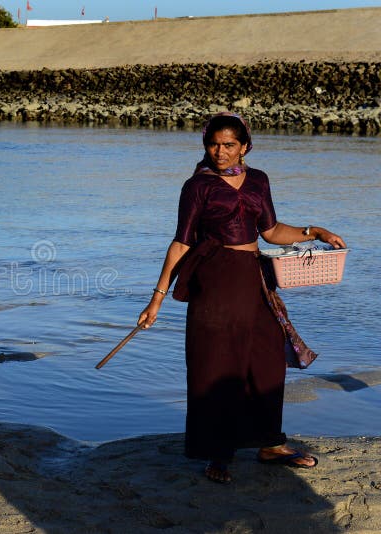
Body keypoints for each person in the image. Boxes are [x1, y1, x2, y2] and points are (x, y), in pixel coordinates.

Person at [139, 112, 346, 484]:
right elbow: (182, 243)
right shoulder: (197, 186)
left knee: (266, 359)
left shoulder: (259, 180)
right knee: (216, 364)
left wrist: (315, 231)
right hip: (215, 281)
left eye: (229, 145)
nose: (220, 152)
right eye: (213, 144)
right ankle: (218, 452)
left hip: (253, 278)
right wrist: (157, 298)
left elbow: (271, 231)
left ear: (245, 147)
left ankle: (270, 444)